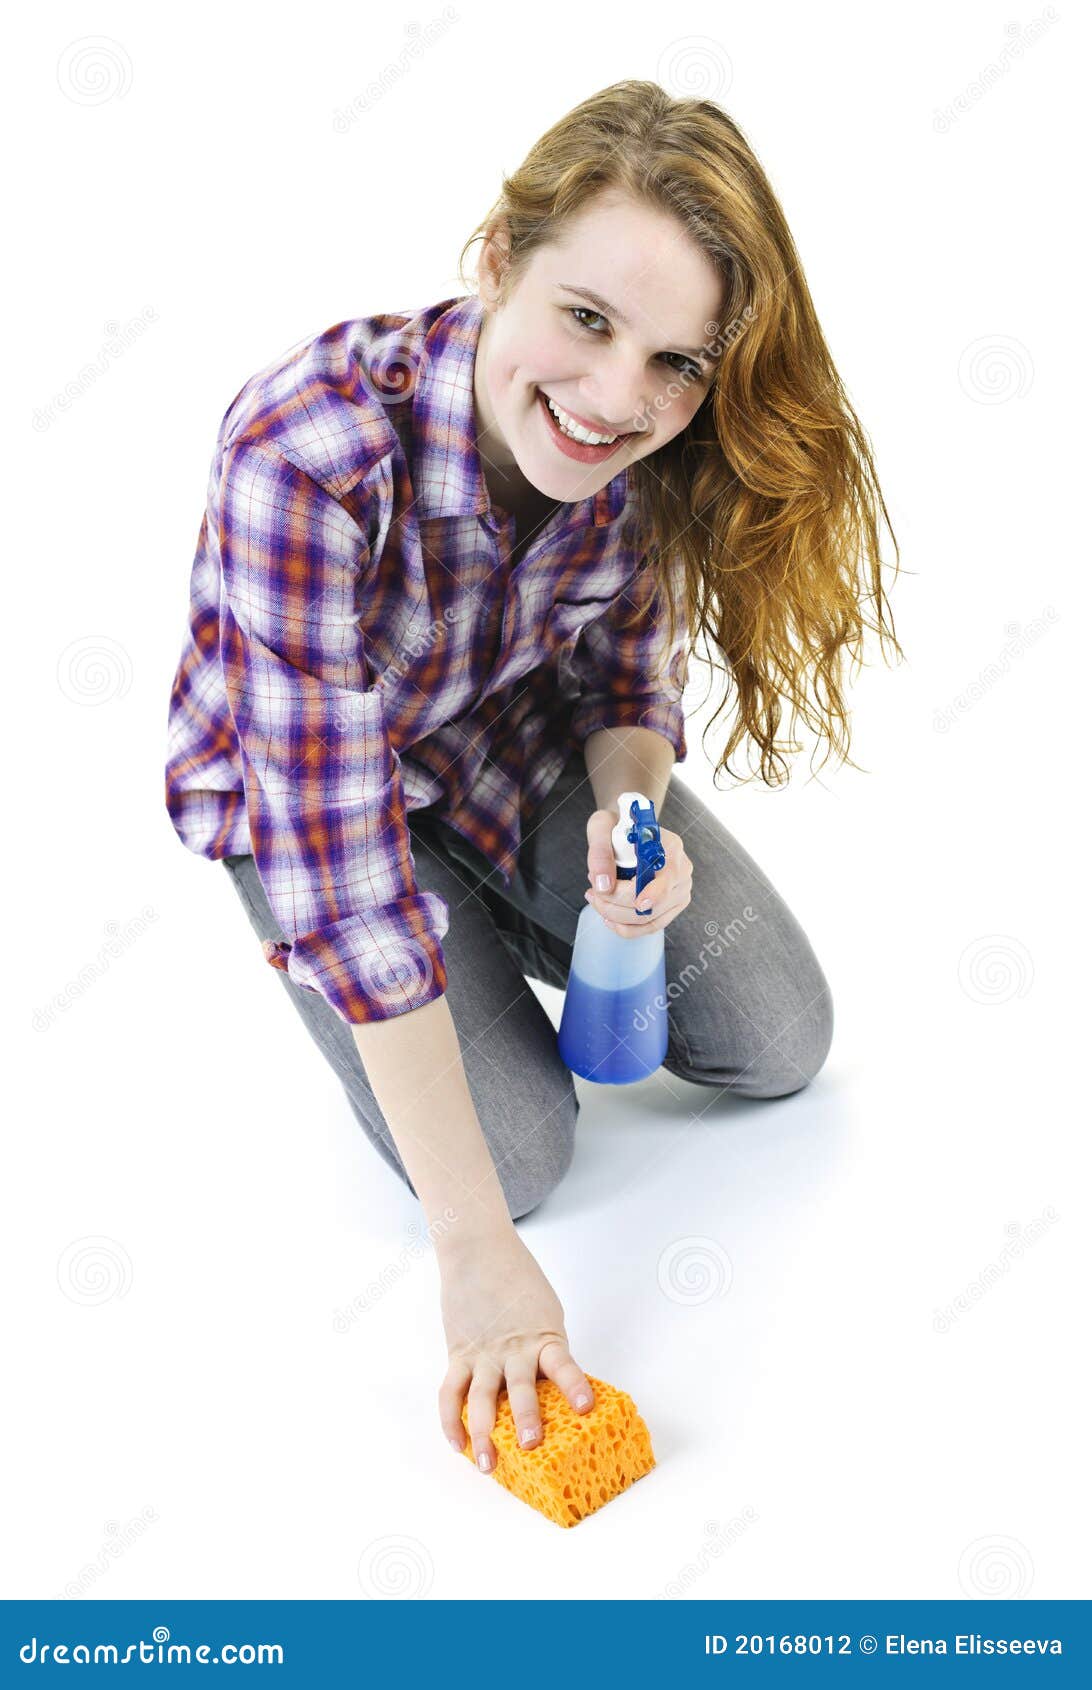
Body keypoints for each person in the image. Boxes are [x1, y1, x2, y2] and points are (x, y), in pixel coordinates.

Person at [164, 80, 901, 1479]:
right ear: (500, 257)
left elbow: (625, 683)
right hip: (319, 816)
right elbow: (353, 880)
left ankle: (518, 924)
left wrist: (630, 822)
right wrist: (472, 1253)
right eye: (589, 320)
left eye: (677, 362)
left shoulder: (647, 452)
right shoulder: (306, 452)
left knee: (782, 1038)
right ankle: (463, 965)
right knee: (510, 1170)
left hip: (510, 749)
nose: (620, 399)